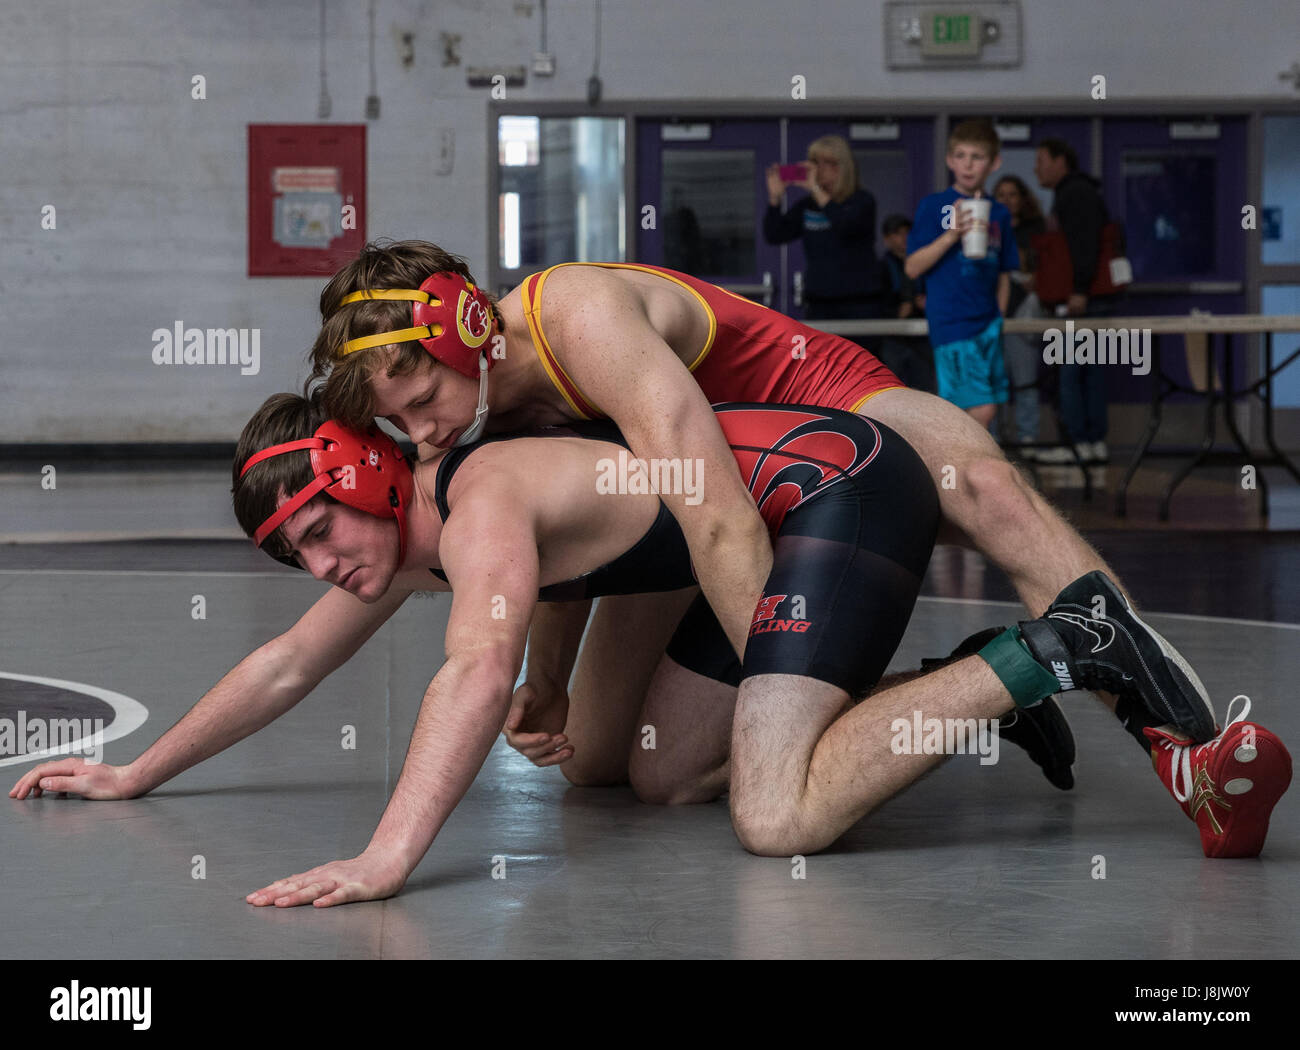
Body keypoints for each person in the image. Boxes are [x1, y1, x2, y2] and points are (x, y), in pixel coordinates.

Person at [13, 397, 1289, 908]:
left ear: (362, 472)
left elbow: (474, 670)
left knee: (775, 818)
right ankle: (957, 698)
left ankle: (1065, 639)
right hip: (768, 529)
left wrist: (384, 859)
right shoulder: (400, 541)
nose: (324, 568)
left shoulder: (482, 504)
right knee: (657, 774)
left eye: (321, 530)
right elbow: (285, 667)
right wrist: (137, 773)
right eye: (296, 557)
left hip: (837, 492)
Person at [305, 238, 1222, 785]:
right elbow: (564, 552)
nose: (411, 426)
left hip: (822, 414)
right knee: (610, 764)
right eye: (390, 415)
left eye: (413, 389)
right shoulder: (477, 419)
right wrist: (546, 680)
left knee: (983, 492)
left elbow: (719, 521)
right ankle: (978, 692)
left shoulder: (573, 315)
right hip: (709, 494)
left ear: (465, 326)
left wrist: (789, 696)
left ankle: (1187, 746)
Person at [905, 119, 1018, 430]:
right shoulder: (934, 207)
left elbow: (1005, 271)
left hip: (987, 323)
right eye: (961, 155)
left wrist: (999, 316)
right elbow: (912, 267)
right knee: (980, 410)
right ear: (949, 160)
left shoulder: (1000, 213)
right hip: (953, 323)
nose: (968, 165)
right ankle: (956, 474)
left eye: (977, 157)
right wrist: (951, 235)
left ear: (994, 162)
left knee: (979, 408)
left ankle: (961, 474)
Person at [1034, 138, 1119, 464]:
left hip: (1083, 300)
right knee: (1088, 371)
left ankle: (1079, 443)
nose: (1036, 168)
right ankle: (1092, 442)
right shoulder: (1076, 192)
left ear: (1060, 162)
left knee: (1072, 373)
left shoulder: (1075, 194)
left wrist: (1079, 290)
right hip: (1088, 299)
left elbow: (1084, 245)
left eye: (1041, 159)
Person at [763, 135, 887, 322]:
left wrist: (816, 190)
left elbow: (846, 226)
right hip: (819, 302)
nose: (816, 169)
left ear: (841, 167)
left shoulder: (862, 201)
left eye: (825, 162)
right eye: (814, 162)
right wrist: (775, 199)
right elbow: (775, 235)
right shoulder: (807, 205)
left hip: (860, 302)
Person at [992, 174, 1048, 457]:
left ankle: (1028, 439)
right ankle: (995, 440)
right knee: (994, 383)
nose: (1007, 200)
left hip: (1024, 316)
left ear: (1022, 198)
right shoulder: (988, 228)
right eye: (1001, 194)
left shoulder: (1036, 229)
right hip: (992, 316)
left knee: (1025, 382)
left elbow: (1048, 270)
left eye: (1012, 194)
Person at [875, 214, 936, 394]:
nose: (904, 238)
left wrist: (925, 304)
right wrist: (897, 312)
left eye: (907, 233)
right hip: (893, 337)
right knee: (892, 390)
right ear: (887, 239)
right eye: (897, 234)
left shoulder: (925, 264)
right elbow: (875, 305)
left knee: (925, 390)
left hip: (921, 336)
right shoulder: (881, 267)